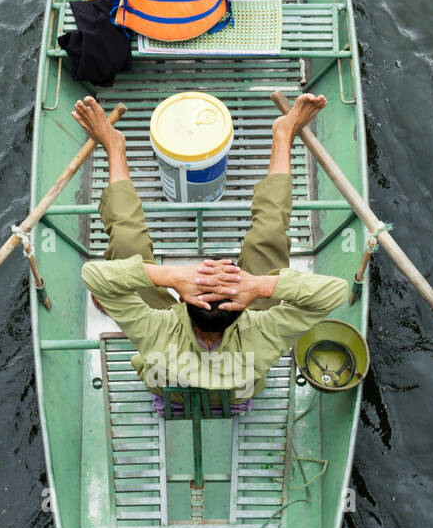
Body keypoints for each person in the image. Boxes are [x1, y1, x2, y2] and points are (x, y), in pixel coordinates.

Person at [75, 93, 347, 406]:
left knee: (126, 244)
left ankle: (114, 146)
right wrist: (257, 285)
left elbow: (92, 275)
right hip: (236, 392)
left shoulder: (158, 330)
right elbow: (335, 293)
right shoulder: (262, 333)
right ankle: (283, 135)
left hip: (169, 384)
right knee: (270, 232)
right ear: (241, 309)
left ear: (184, 302)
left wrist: (172, 276)